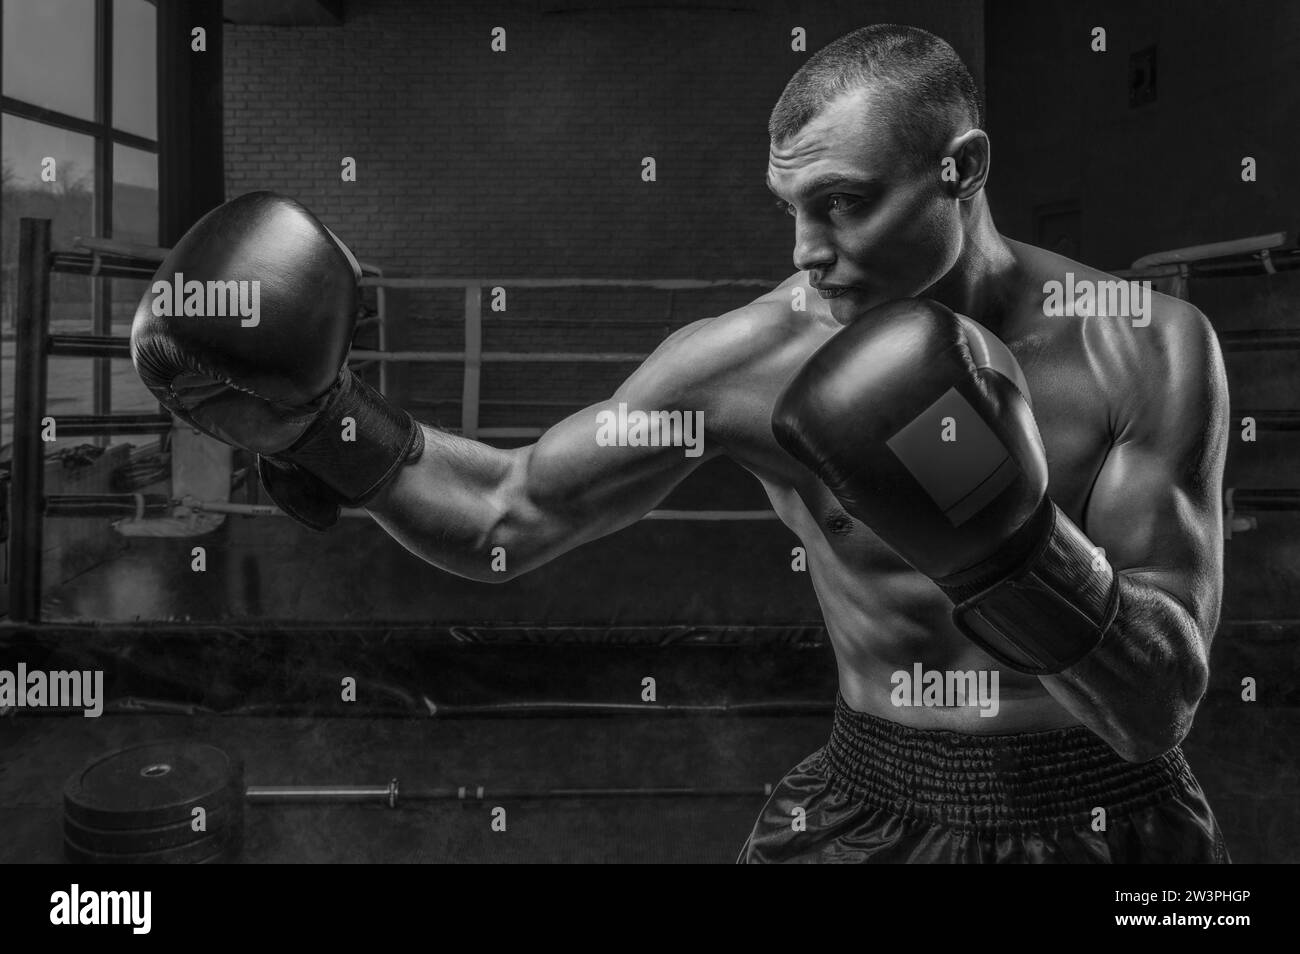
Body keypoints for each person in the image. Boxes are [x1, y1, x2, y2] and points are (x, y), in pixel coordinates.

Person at [132, 24, 1230, 863]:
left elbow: (1156, 708)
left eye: (845, 205)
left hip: (1110, 812)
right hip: (877, 796)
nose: (808, 252)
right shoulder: (740, 365)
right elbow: (509, 513)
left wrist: (1001, 528)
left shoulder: (1148, 349)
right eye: (789, 208)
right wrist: (321, 424)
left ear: (962, 167)